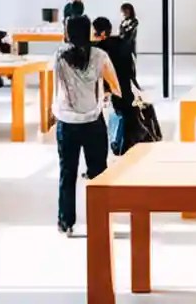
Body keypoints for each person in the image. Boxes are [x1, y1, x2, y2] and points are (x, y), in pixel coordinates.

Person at [54, 16, 120, 236]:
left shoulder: (59, 56)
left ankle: (66, 222)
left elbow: (58, 88)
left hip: (66, 121)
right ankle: (101, 220)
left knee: (67, 172)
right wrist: (107, 95)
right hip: (92, 121)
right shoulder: (100, 56)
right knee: (99, 172)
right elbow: (115, 86)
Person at [92, 17, 139, 155]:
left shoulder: (99, 49)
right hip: (125, 86)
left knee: (117, 114)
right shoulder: (122, 42)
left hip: (114, 87)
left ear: (101, 33)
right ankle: (127, 144)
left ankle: (120, 144)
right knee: (126, 111)